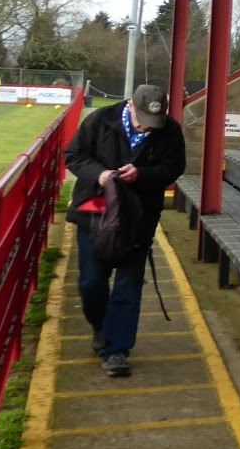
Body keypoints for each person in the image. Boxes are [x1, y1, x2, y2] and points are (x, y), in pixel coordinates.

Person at [63, 83, 187, 378]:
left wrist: (141, 175)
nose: (146, 129)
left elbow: (174, 168)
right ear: (130, 105)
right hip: (94, 216)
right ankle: (99, 326)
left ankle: (116, 350)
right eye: (142, 121)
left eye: (152, 125)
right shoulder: (99, 119)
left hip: (138, 221)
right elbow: (74, 156)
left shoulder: (170, 130)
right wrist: (101, 174)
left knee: (128, 287)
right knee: (91, 283)